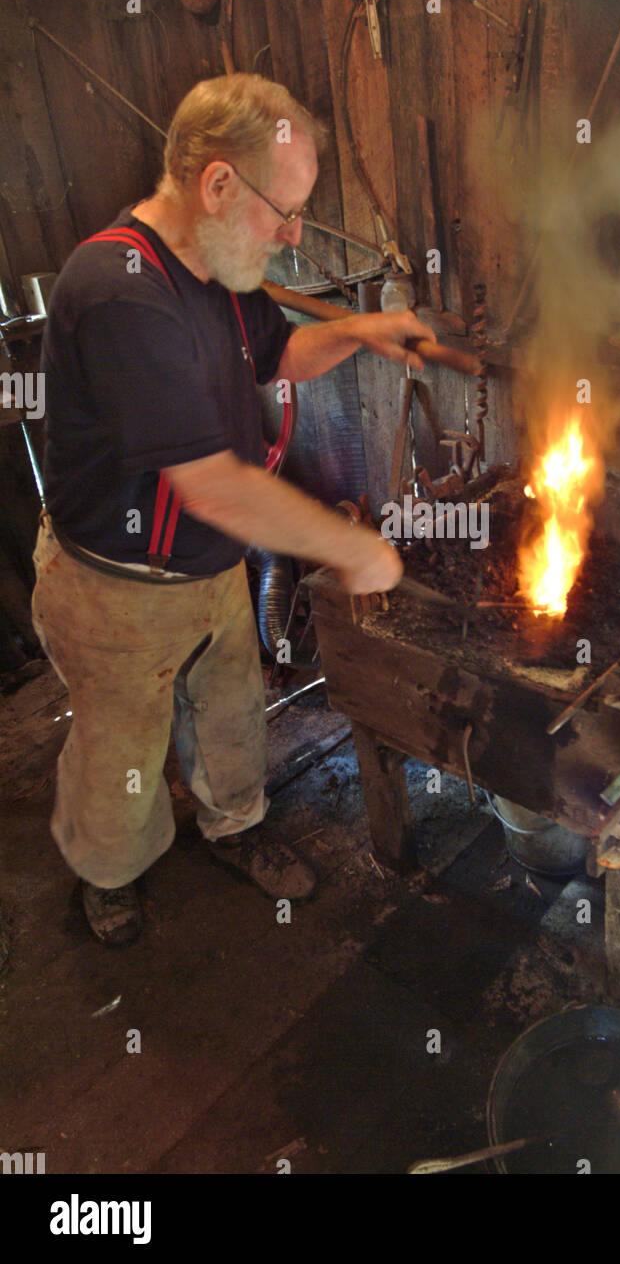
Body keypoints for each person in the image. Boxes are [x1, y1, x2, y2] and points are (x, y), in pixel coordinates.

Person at [32, 73, 434, 946]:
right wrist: (357, 551)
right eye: (283, 210)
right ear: (216, 183)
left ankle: (234, 824)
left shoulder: (219, 262)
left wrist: (362, 332)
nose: (292, 235)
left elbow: (281, 353)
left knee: (227, 717)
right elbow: (208, 483)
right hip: (116, 586)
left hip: (211, 568)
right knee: (119, 759)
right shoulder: (118, 290)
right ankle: (108, 876)